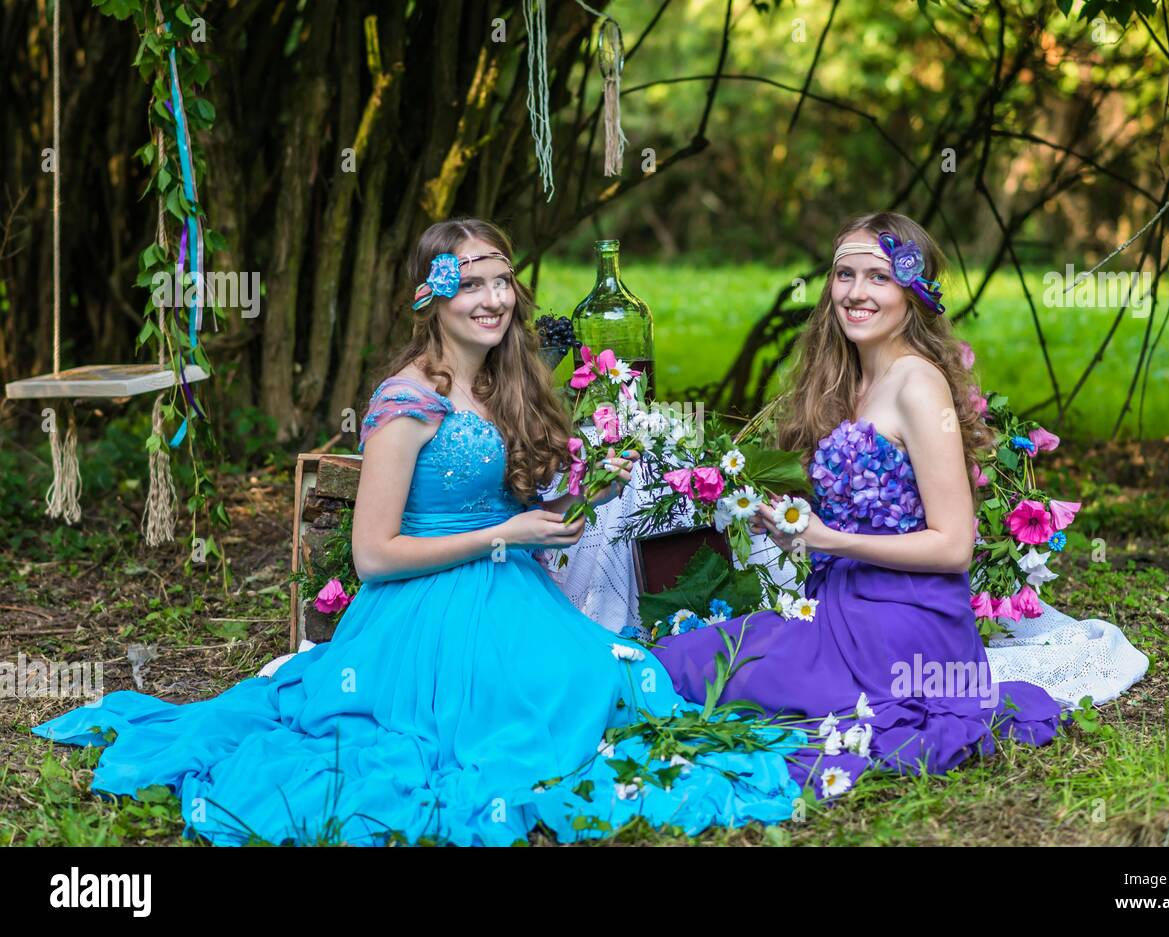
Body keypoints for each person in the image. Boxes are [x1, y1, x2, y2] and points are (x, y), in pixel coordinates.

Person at [30, 218, 802, 846]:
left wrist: (564, 508)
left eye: (502, 280)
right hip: (426, 603)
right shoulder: (406, 399)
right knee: (485, 731)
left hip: (513, 591)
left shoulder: (507, 383)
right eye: (470, 284)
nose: (493, 298)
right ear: (432, 297)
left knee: (600, 684)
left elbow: (524, 501)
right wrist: (504, 536)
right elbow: (371, 556)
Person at [651, 211, 1070, 799]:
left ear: (912, 289)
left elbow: (954, 546)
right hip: (839, 602)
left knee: (711, 676)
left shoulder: (917, 384)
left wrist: (831, 541)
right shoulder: (847, 379)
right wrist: (794, 532)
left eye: (877, 277)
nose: (855, 292)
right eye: (844, 275)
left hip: (904, 623)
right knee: (689, 662)